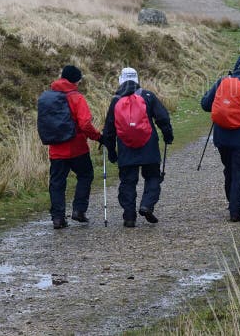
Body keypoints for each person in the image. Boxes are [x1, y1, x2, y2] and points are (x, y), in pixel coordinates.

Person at [102, 67, 174, 228]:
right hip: (149, 145)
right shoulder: (148, 96)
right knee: (153, 177)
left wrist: (112, 153)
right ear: (137, 79)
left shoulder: (116, 100)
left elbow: (109, 130)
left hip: (126, 148)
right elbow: (163, 118)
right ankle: (146, 205)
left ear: (121, 80)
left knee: (128, 182)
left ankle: (129, 217)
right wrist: (168, 136)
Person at [201, 55, 240, 222]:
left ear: (236, 67)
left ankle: (232, 201)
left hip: (221, 136)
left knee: (229, 169)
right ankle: (235, 211)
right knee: (239, 171)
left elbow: (205, 104)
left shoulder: (222, 82)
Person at [39, 65, 102, 229]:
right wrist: (98, 137)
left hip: (56, 150)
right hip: (76, 147)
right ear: (76, 80)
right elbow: (85, 124)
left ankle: (58, 218)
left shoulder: (48, 97)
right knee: (85, 175)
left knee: (57, 183)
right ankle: (79, 211)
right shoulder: (76, 97)